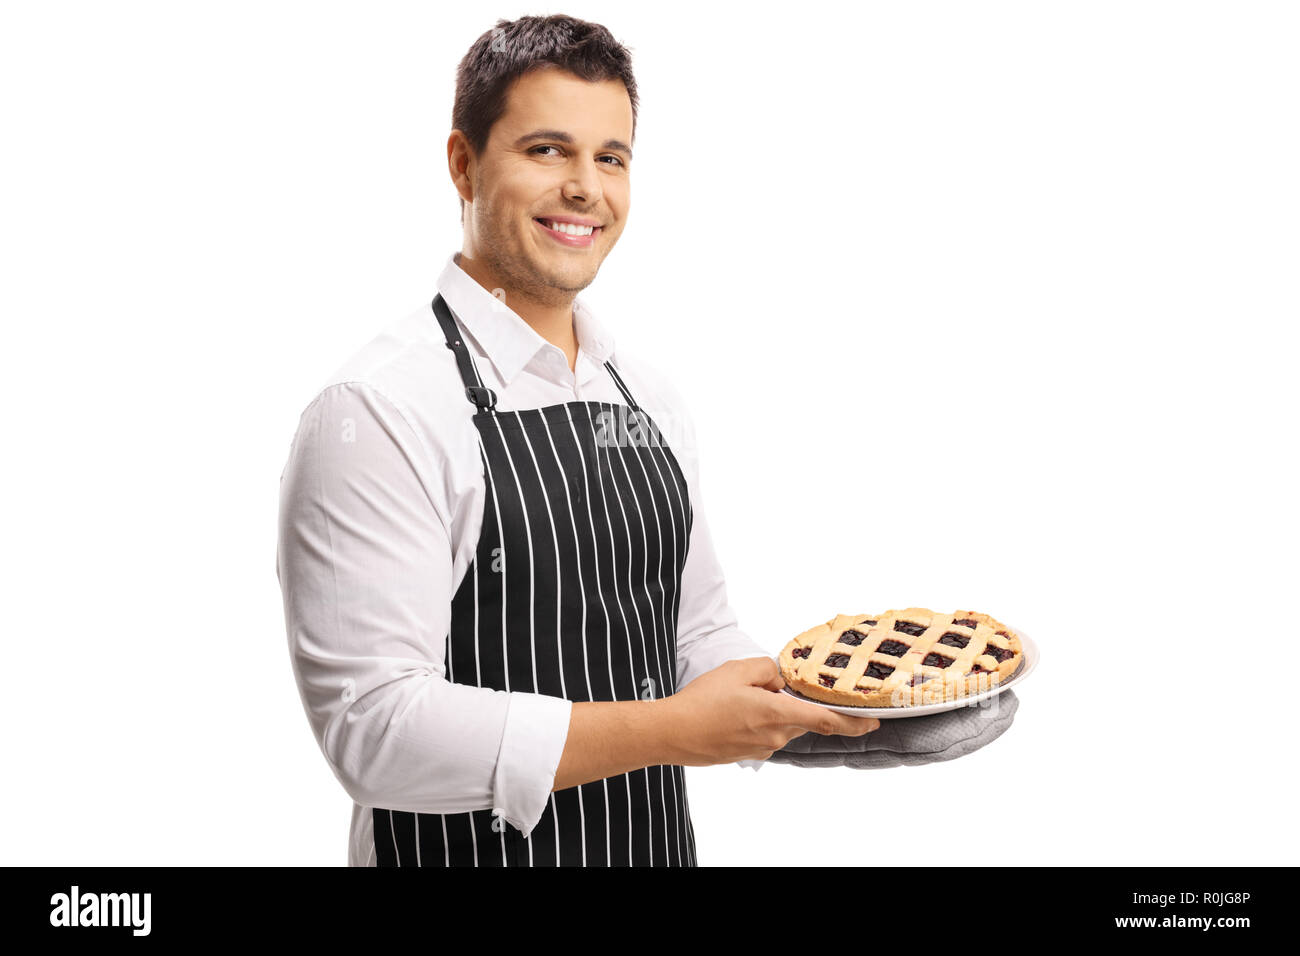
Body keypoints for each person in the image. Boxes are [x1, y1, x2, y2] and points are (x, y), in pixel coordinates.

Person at [276, 13, 878, 868]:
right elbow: (373, 729)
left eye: (611, 158)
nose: (586, 189)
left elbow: (694, 632)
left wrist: (838, 714)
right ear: (463, 163)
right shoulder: (378, 410)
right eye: (547, 150)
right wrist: (671, 730)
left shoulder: (647, 395)